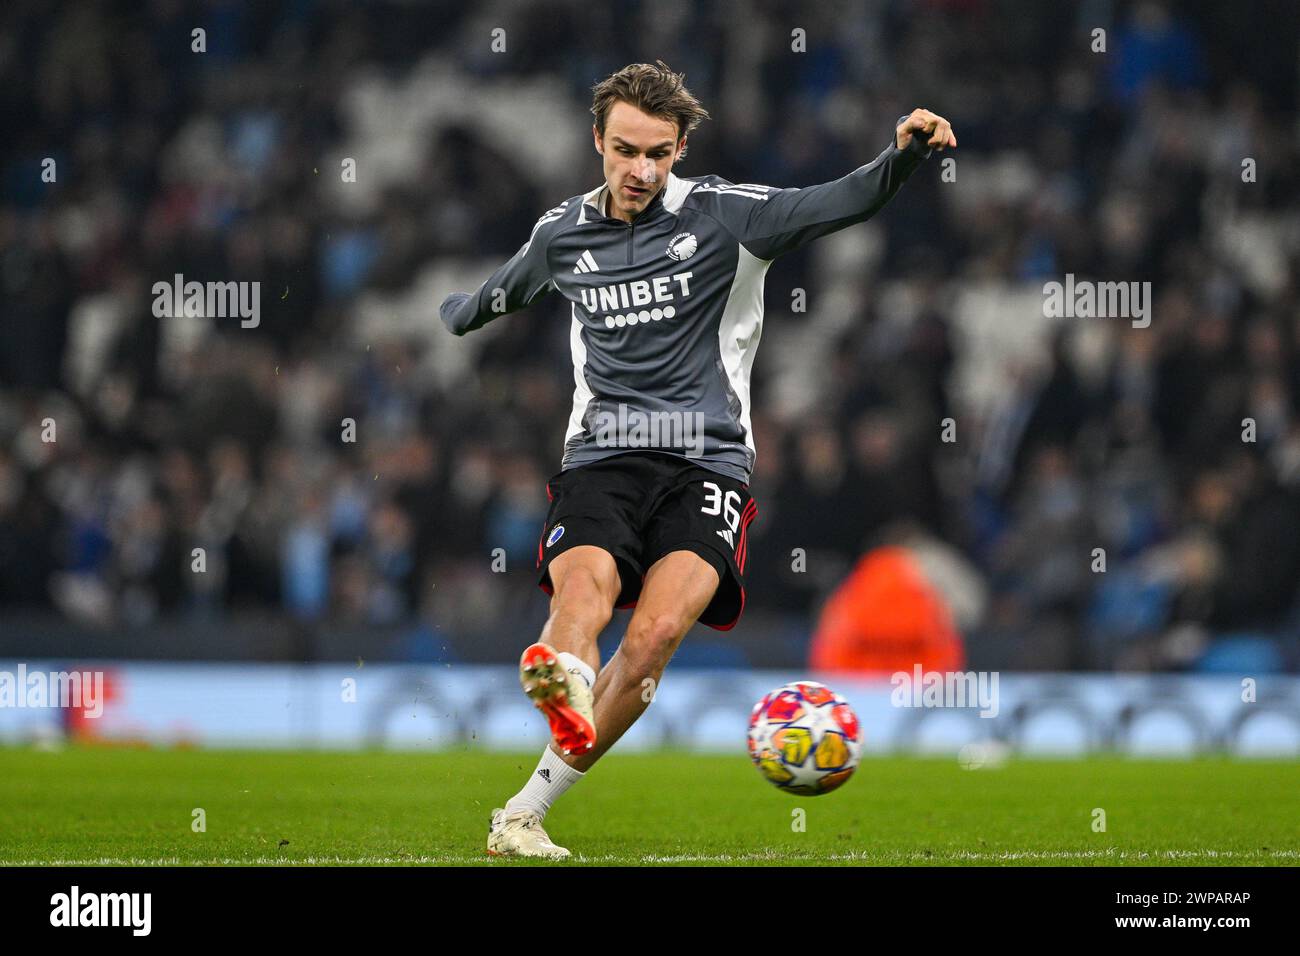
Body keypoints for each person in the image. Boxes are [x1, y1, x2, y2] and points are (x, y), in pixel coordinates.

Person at [439, 60, 954, 858]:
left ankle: (524, 811)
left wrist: (904, 158)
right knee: (586, 587)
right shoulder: (563, 234)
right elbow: (499, 295)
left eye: (657, 153)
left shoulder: (727, 217)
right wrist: (456, 312)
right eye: (624, 151)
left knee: (651, 642)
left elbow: (839, 202)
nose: (639, 170)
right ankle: (566, 675)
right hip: (603, 454)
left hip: (708, 462)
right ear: (597, 143)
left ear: (680, 148)